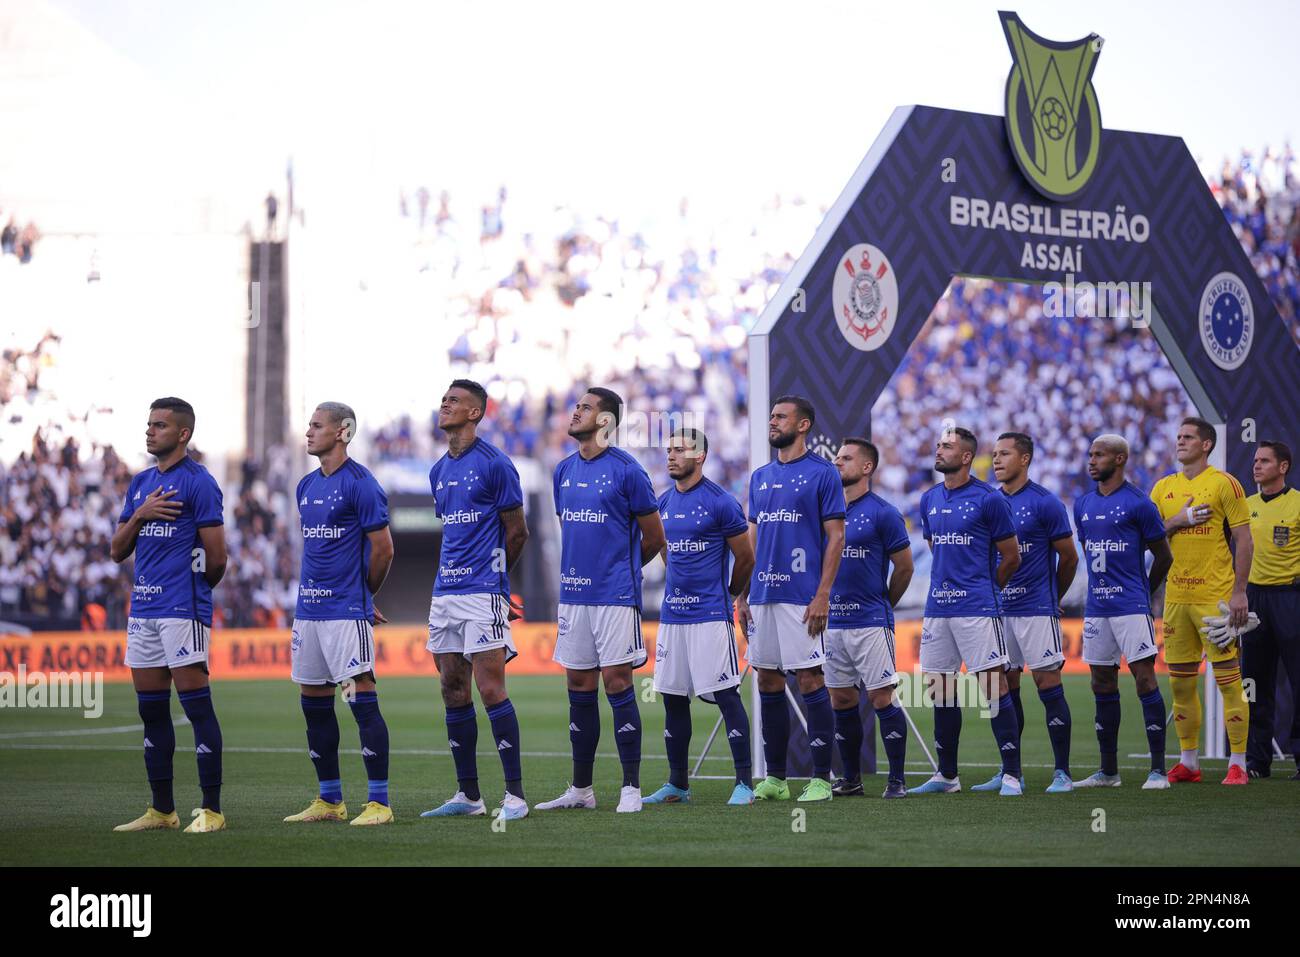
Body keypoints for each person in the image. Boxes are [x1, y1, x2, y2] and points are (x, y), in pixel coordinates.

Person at [536, 388, 665, 813]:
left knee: (618, 683)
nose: (575, 412)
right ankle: (581, 789)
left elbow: (654, 537)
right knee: (579, 685)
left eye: (586, 407)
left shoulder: (628, 471)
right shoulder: (563, 471)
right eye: (576, 406)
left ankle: (630, 787)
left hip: (615, 596)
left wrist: (621, 568)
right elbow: (572, 530)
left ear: (606, 420)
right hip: (574, 597)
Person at [111, 398, 229, 833]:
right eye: (148, 424)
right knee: (152, 712)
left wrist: (193, 594)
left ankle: (212, 810)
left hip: (183, 609)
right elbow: (117, 550)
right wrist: (140, 516)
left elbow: (217, 557)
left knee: (197, 709)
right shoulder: (140, 484)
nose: (149, 431)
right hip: (143, 609)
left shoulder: (199, 483)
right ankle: (162, 810)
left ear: (182, 434)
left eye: (159, 425)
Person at [421, 380, 531, 820]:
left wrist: (499, 581)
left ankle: (516, 796)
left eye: (454, 400)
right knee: (452, 687)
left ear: (474, 413)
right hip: (444, 593)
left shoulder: (496, 465)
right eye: (443, 397)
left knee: (489, 688)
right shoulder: (437, 471)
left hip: (483, 591)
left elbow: (517, 531)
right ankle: (468, 796)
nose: (444, 404)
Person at [283, 403, 396, 825]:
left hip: (344, 615)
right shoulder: (305, 486)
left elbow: (384, 549)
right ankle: (330, 800)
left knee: (359, 702)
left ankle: (379, 803)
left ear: (343, 432)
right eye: (309, 424)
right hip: (308, 613)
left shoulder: (361, 484)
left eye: (317, 425)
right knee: (314, 704)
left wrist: (364, 596)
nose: (308, 431)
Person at [736, 395, 845, 803]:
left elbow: (836, 537)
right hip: (762, 593)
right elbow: (752, 539)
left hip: (802, 596)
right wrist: (743, 595)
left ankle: (820, 779)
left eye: (781, 417)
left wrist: (823, 595)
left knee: (810, 678)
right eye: (770, 416)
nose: (772, 422)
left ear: (803, 426)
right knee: (767, 678)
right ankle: (777, 780)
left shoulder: (822, 474)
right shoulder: (760, 476)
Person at [642, 428, 756, 806]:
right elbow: (661, 547)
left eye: (680, 450)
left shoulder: (721, 502)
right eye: (668, 449)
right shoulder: (663, 502)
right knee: (673, 698)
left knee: (725, 694)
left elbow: (746, 558)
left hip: (710, 616)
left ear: (701, 456)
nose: (671, 456)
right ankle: (678, 784)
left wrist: (729, 594)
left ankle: (744, 784)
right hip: (673, 617)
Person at [910, 427, 1024, 796]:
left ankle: (1011, 774)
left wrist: (987, 589)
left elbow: (1011, 556)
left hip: (976, 607)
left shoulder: (989, 500)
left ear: (966, 457)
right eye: (939, 444)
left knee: (993, 685)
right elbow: (935, 545)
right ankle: (947, 776)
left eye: (947, 446)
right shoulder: (929, 499)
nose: (939, 450)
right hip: (937, 608)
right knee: (939, 688)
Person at [1149, 417, 1254, 785]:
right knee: (1180, 683)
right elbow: (1151, 537)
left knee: (1228, 681)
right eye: (1178, 436)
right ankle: (1190, 761)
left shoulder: (1225, 483)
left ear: (1206, 444)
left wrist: (1240, 591)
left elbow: (1244, 539)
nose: (1180, 442)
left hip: (1215, 598)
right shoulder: (1163, 487)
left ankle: (1237, 762)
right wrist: (1177, 520)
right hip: (1176, 597)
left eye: (1188, 437)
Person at [976, 432, 1078, 794]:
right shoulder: (988, 502)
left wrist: (1052, 595)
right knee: (1003, 690)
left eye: (1005, 454)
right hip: (998, 612)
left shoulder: (1045, 502)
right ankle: (1010, 772)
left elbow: (1069, 557)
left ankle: (1062, 772)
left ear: (1025, 459)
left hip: (1035, 609)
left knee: (1048, 686)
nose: (997, 460)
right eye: (994, 454)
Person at [1073, 434, 1174, 790]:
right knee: (1101, 681)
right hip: (1097, 607)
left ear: (1119, 459)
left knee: (1145, 679)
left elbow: (1164, 556)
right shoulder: (1082, 504)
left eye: (1099, 455)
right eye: (1090, 454)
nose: (1091, 460)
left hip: (1130, 606)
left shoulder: (1139, 504)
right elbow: (1090, 551)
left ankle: (1158, 770)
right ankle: (1109, 771)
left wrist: (1144, 590)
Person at [824, 438, 914, 799]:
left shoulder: (883, 512)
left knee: (881, 698)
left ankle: (896, 779)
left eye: (845, 458)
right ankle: (851, 778)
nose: (837, 463)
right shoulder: (825, 511)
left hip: (870, 621)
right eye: (836, 458)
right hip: (831, 624)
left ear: (867, 467)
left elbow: (904, 567)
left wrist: (883, 604)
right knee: (842, 700)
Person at [1242, 440, 1300, 779]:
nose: (1257, 466)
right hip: (1254, 600)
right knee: (1255, 683)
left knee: (1297, 682)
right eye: (1255, 460)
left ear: (1283, 467)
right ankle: (1256, 761)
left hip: (1290, 597)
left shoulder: (1296, 504)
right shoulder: (1245, 506)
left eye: (1264, 461)